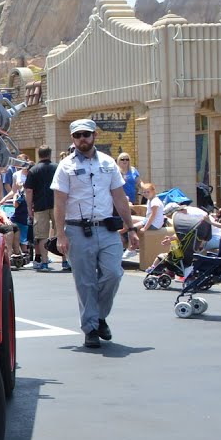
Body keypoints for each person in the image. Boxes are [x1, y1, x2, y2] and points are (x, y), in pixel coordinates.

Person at [52, 119, 140, 348]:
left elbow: (119, 197)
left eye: (86, 134)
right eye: (78, 135)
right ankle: (90, 328)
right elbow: (59, 203)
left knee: (113, 273)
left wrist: (131, 229)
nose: (82, 138)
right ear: (73, 139)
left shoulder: (109, 163)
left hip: (107, 228)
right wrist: (60, 234)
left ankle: (99, 316)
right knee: (86, 281)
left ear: (94, 136)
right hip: (77, 229)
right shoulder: (65, 166)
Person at [24, 145, 57, 272]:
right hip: (56, 205)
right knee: (60, 232)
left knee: (42, 234)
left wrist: (29, 207)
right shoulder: (57, 167)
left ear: (39, 155)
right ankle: (66, 260)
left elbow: (29, 190)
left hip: (39, 206)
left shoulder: (33, 170)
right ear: (49, 154)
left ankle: (44, 262)